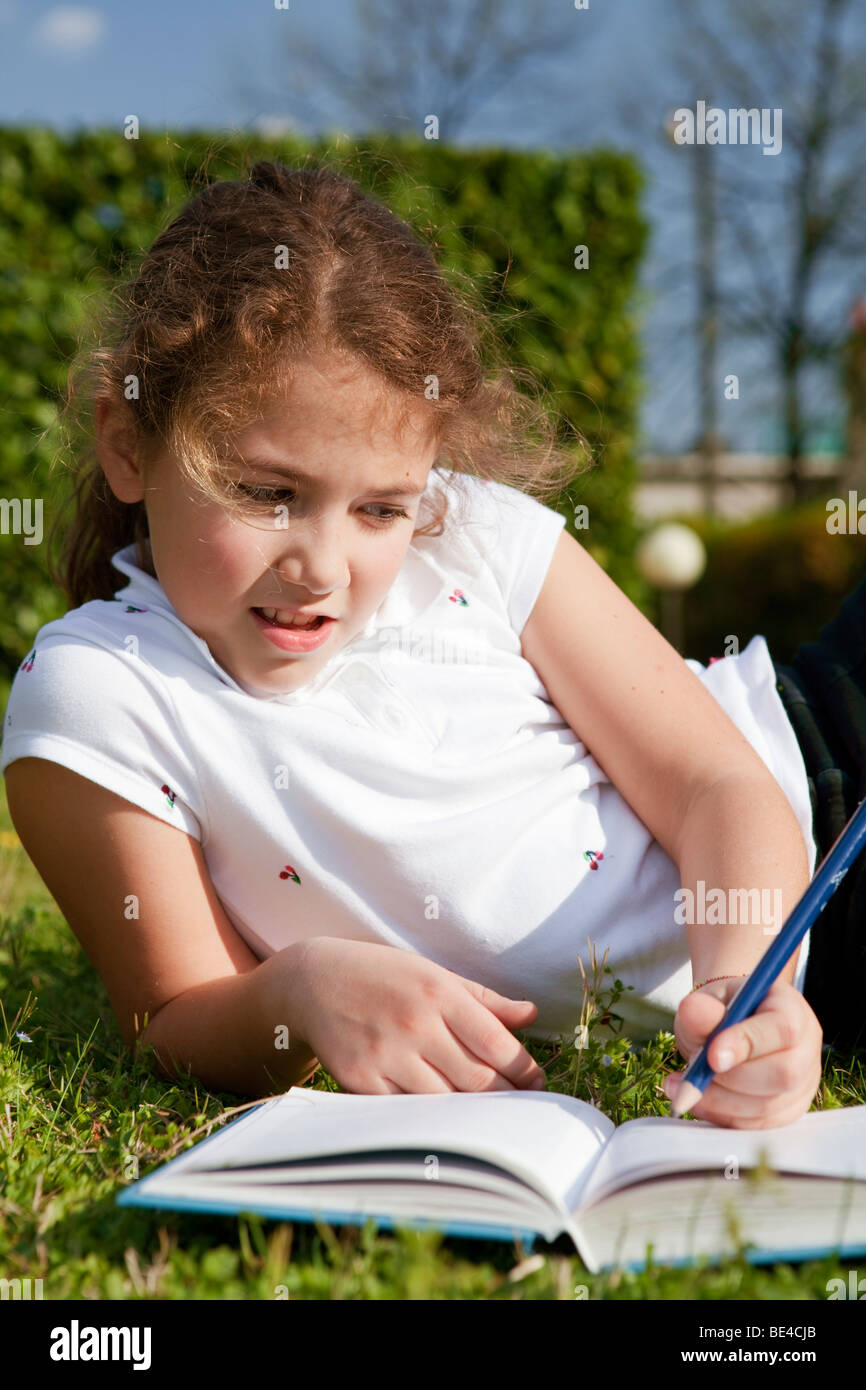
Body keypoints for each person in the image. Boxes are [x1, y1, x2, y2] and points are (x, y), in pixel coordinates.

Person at [0, 160, 854, 1131]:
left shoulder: (471, 533)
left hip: (816, 769)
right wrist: (297, 992)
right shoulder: (98, 691)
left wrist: (747, 981)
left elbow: (715, 783)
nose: (321, 565)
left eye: (379, 507)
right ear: (125, 444)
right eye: (267, 493)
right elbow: (172, 1012)